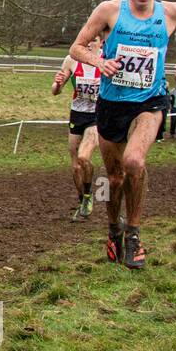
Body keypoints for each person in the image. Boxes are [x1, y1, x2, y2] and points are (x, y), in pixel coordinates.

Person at [69, 0, 176, 269]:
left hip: (150, 102)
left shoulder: (173, 12)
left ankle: (134, 235)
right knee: (114, 179)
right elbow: (77, 47)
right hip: (112, 104)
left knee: (133, 161)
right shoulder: (109, 10)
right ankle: (114, 230)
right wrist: (100, 63)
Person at [51, 35, 103, 221]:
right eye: (86, 40)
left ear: (101, 42)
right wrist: (57, 84)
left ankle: (88, 197)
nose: (89, 43)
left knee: (83, 156)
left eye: (94, 40)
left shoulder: (106, 60)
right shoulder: (71, 60)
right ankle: (83, 200)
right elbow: (55, 91)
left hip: (97, 116)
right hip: (77, 114)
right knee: (75, 167)